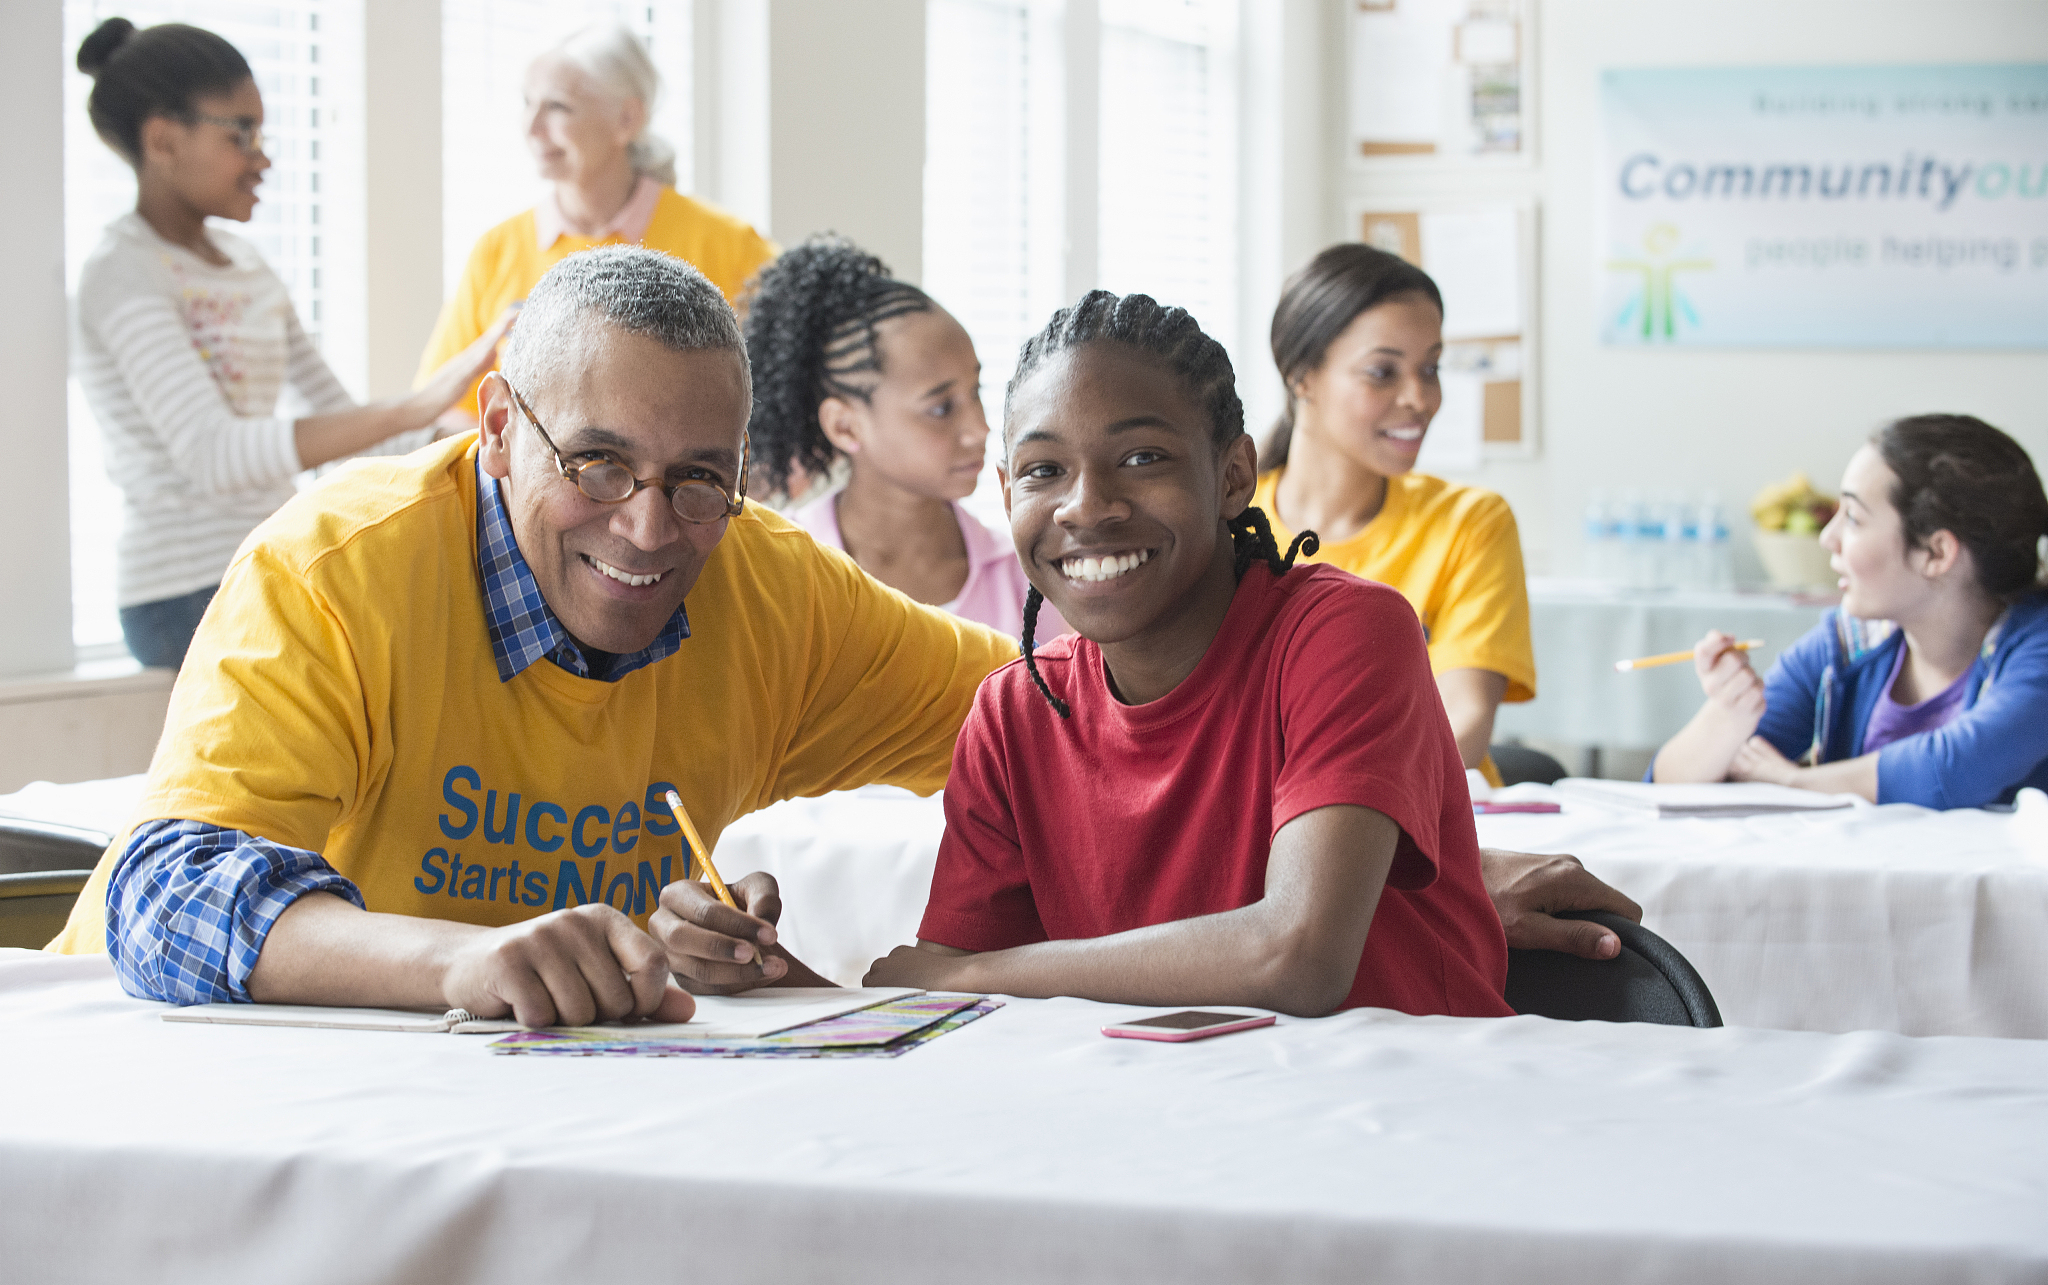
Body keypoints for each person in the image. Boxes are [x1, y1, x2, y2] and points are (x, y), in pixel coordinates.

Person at [50, 250, 1642, 1019]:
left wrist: (1405, 847)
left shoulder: (770, 590)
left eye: (699, 477)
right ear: (497, 426)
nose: (648, 527)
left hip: (536, 1116)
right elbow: (164, 895)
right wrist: (465, 958)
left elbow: (1100, 721)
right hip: (200, 1094)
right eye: (594, 462)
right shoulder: (336, 566)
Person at [864, 292, 1521, 1016]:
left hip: (1407, 1079)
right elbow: (954, 1002)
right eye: (1043, 470)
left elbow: (1298, 958)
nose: (1086, 505)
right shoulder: (1014, 712)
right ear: (1005, 491)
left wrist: (966, 977)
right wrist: (941, 979)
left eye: (1143, 458)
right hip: (1170, 1085)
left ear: (1234, 476)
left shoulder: (1344, 633)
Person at [72, 18, 505, 669]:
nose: (263, 158)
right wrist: (414, 406)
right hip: (179, 593)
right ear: (162, 140)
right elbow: (215, 454)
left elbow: (348, 433)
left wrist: (480, 426)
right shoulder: (123, 271)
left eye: (261, 134)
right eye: (240, 134)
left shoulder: (248, 267)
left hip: (264, 557)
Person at [1652, 415, 2048, 808]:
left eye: (1854, 518)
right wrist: (1727, 715)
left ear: (1936, 552)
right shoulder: (1846, 644)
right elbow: (1663, 786)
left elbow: (1956, 769)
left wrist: (1793, 782)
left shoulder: (2037, 647)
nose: (1828, 537)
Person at [1249, 244, 1536, 783]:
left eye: (1430, 368)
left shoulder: (1470, 523)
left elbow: (1464, 721)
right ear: (1302, 376)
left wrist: (1332, 812)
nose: (1420, 398)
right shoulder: (1222, 528)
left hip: (1425, 819)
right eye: (1383, 372)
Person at [416, 22, 773, 421]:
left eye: (557, 107)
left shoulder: (730, 244)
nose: (531, 127)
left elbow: (785, 392)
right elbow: (440, 409)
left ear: (627, 119)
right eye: (527, 102)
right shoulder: (495, 251)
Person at [743, 235, 1063, 640]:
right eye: (940, 408)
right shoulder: (779, 566)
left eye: (975, 391)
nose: (980, 429)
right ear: (845, 426)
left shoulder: (1027, 579)